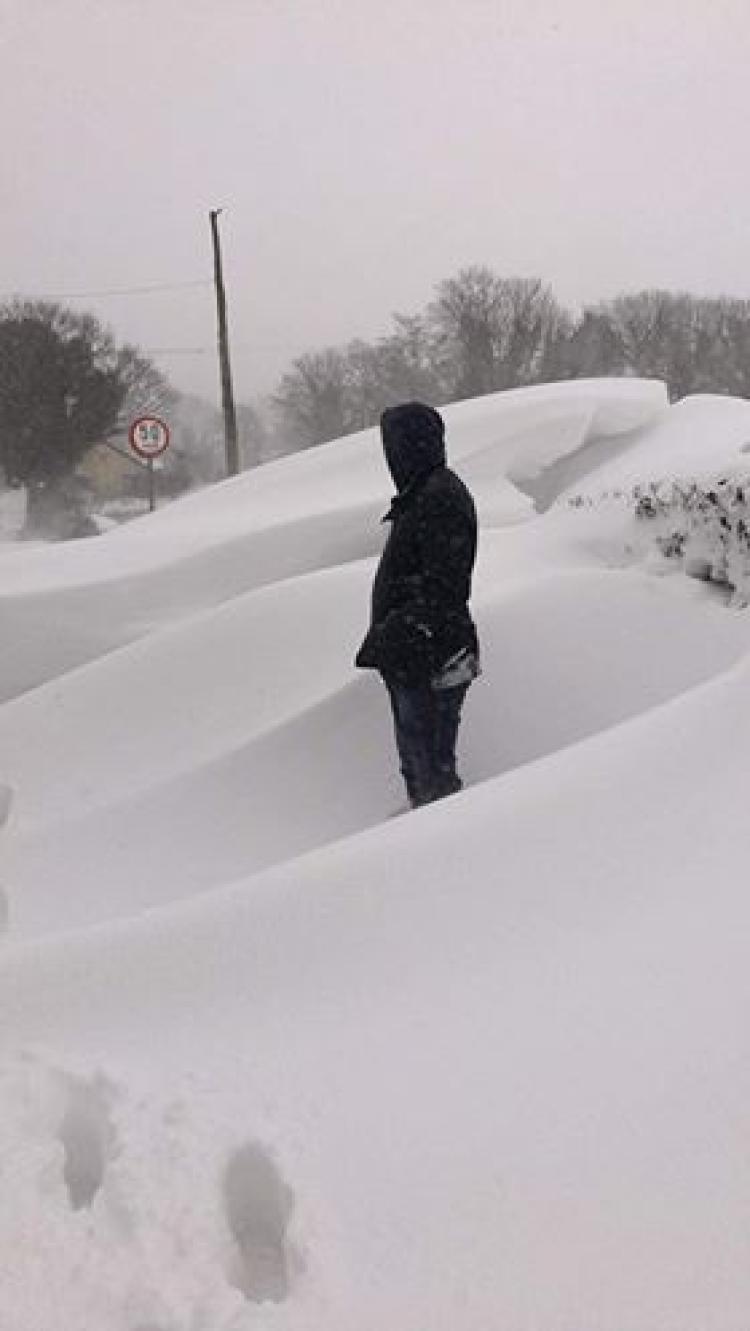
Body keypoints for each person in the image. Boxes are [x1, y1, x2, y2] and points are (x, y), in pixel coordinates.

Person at [355, 401, 479, 808]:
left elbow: (444, 587)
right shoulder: (420, 493)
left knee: (432, 779)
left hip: (432, 658)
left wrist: (397, 631)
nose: (390, 455)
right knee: (421, 770)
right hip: (415, 656)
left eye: (394, 444)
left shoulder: (439, 497)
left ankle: (444, 840)